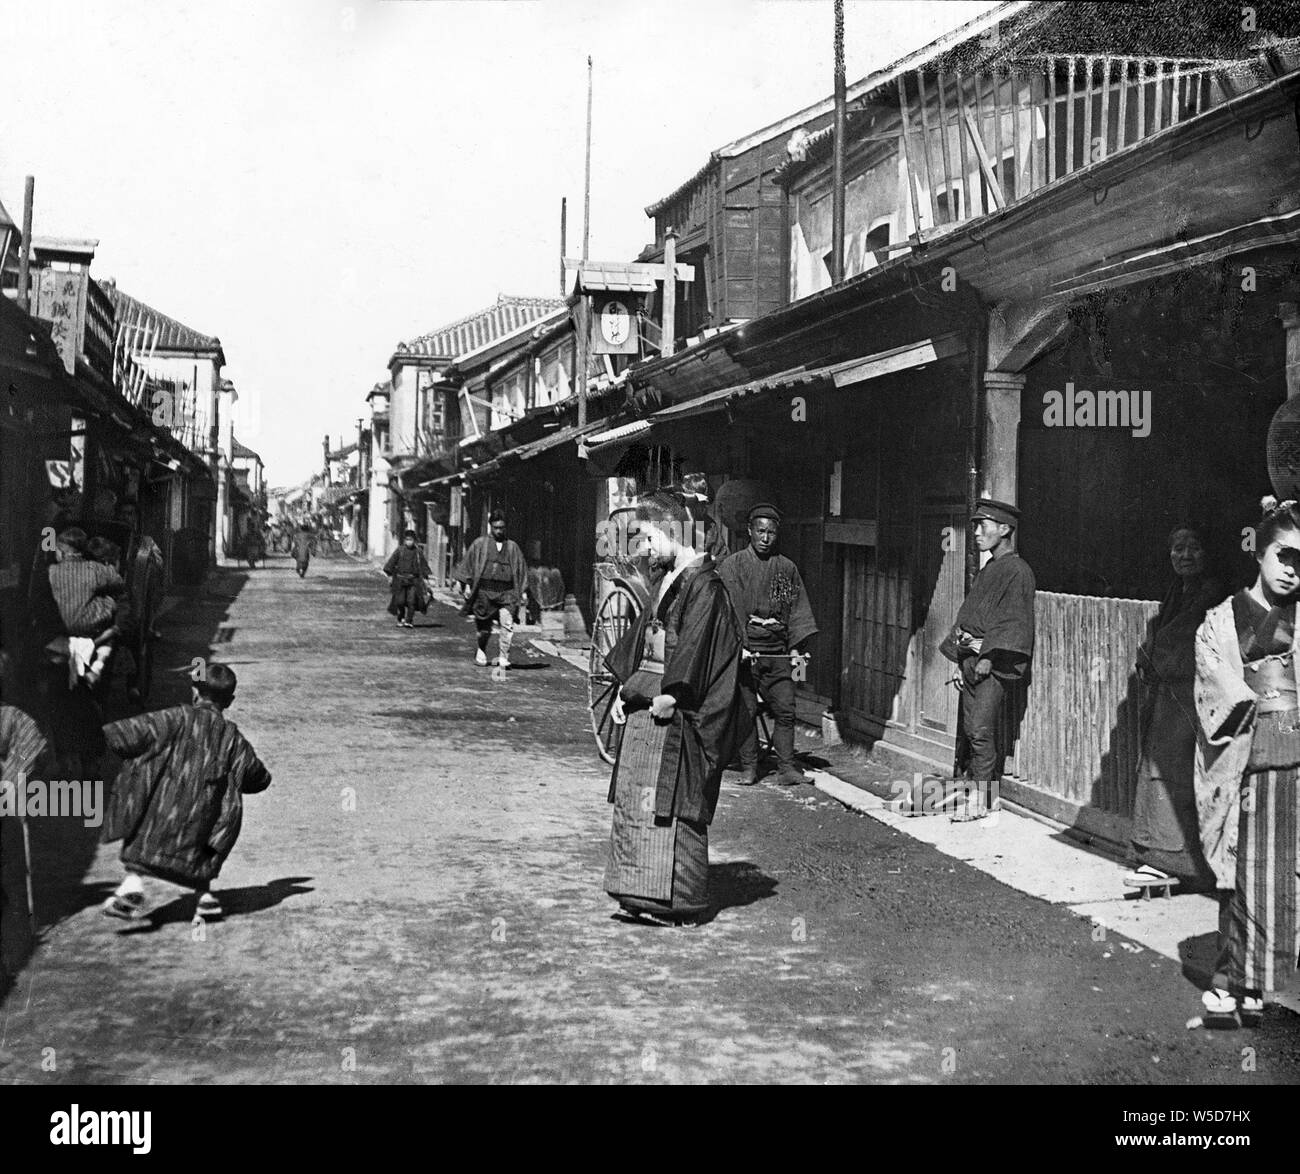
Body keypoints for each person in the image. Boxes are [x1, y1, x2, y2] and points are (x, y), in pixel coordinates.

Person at [603, 492, 745, 925]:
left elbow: (701, 650)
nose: (643, 548)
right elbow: (644, 640)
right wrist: (626, 691)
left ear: (668, 532)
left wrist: (673, 695)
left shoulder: (705, 585)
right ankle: (637, 893)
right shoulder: (667, 580)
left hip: (681, 709)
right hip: (651, 703)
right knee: (639, 800)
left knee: (677, 802)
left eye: (647, 538)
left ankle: (678, 902)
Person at [1193, 496, 1300, 1027]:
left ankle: (1254, 981)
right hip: (1245, 759)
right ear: (1259, 553)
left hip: (1295, 762)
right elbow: (1216, 685)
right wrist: (1260, 698)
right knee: (1236, 873)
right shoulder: (1221, 620)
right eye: (1283, 555)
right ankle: (1224, 978)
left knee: (1281, 876)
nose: (1290, 570)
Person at [99, 663, 271, 923]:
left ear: (195, 692)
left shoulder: (172, 719)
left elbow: (120, 735)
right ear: (230, 701)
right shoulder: (232, 738)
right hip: (198, 840)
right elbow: (258, 777)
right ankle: (204, 895)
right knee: (217, 818)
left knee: (147, 811)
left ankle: (133, 884)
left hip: (155, 830)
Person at [1125, 526, 1223, 891]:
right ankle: (1155, 853)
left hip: (1190, 693)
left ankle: (1174, 860)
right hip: (1172, 691)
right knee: (1159, 768)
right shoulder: (1177, 591)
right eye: (1177, 549)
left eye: (1194, 548)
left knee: (1176, 771)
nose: (1184, 556)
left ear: (1208, 553)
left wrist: (1152, 654)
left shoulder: (1211, 592)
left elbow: (1184, 635)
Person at [944, 498, 1036, 820]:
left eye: (983, 526)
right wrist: (960, 659)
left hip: (992, 665)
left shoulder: (1018, 571)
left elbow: (1013, 621)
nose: (976, 532)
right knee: (970, 730)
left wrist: (988, 657)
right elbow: (970, 615)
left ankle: (981, 802)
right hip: (972, 661)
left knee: (981, 730)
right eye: (974, 526)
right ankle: (979, 796)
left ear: (1005, 528)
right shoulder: (990, 568)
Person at [717, 503, 818, 786]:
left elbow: (792, 612)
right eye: (760, 531)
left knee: (786, 708)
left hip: (777, 652)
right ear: (749, 531)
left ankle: (787, 768)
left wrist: (795, 649)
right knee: (746, 711)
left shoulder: (784, 569)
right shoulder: (733, 566)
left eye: (771, 533)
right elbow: (730, 610)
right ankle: (750, 767)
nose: (765, 538)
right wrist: (742, 645)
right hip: (745, 652)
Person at [48, 528, 127, 689]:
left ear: (62, 553)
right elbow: (119, 584)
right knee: (110, 604)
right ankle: (97, 668)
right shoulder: (95, 569)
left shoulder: (51, 571)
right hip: (89, 626)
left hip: (60, 628)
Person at [453, 509, 528, 668]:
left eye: (502, 527)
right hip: (485, 592)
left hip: (506, 593)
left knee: (507, 625)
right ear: (490, 527)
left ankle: (503, 656)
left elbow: (521, 569)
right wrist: (465, 585)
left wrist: (523, 591)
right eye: (496, 527)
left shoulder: (513, 547)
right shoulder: (480, 544)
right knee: (484, 629)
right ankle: (481, 649)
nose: (499, 531)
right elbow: (469, 564)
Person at [383, 529, 432, 628]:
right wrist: (390, 576)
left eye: (411, 539)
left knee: (411, 601)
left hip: (413, 581)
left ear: (414, 540)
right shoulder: (399, 551)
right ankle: (401, 618)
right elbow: (390, 563)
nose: (409, 541)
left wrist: (427, 579)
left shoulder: (418, 552)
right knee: (400, 601)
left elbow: (423, 565)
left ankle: (409, 620)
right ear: (404, 540)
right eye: (407, 539)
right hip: (400, 580)